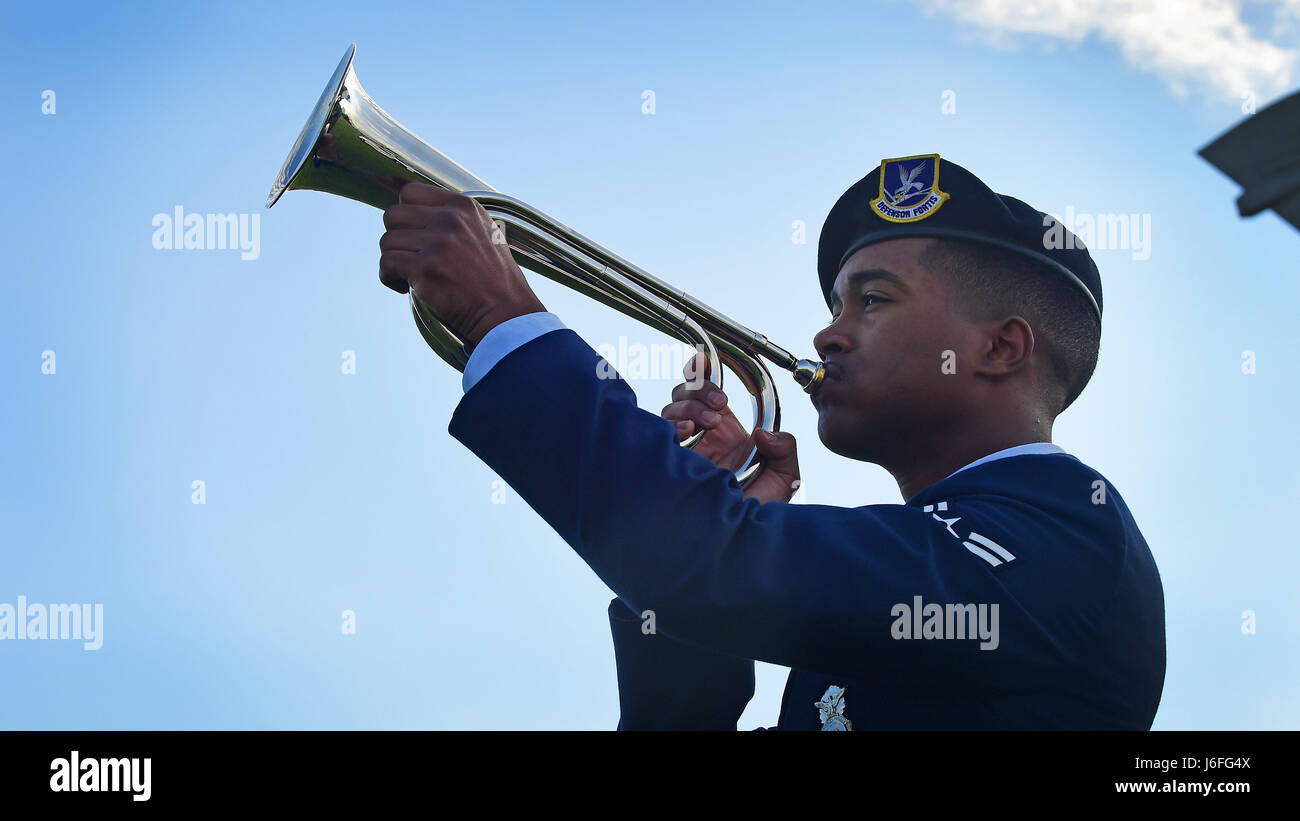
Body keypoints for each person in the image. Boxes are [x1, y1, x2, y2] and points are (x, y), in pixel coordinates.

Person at [376, 153, 1166, 730]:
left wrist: (505, 321)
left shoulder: (1069, 533)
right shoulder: (940, 549)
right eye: (835, 303)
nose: (828, 332)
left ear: (999, 349)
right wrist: (707, 510)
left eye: (874, 300)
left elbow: (707, 567)